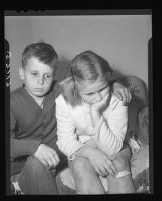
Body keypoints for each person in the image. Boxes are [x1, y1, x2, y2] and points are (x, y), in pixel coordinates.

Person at [10, 42, 131, 195]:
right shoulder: (12, 102)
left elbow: (92, 80)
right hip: (27, 161)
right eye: (34, 74)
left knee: (114, 165)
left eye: (47, 75)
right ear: (21, 73)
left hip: (58, 156)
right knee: (36, 164)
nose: (40, 81)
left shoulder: (60, 89)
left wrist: (115, 84)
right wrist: (33, 148)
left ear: (53, 76)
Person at [55, 50, 136, 194]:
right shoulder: (63, 103)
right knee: (80, 166)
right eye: (90, 93)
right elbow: (65, 142)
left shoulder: (117, 98)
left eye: (103, 88)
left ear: (109, 80)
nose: (98, 98)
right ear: (75, 88)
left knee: (116, 165)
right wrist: (90, 153)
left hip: (115, 145)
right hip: (82, 148)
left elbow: (113, 148)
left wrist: (95, 114)